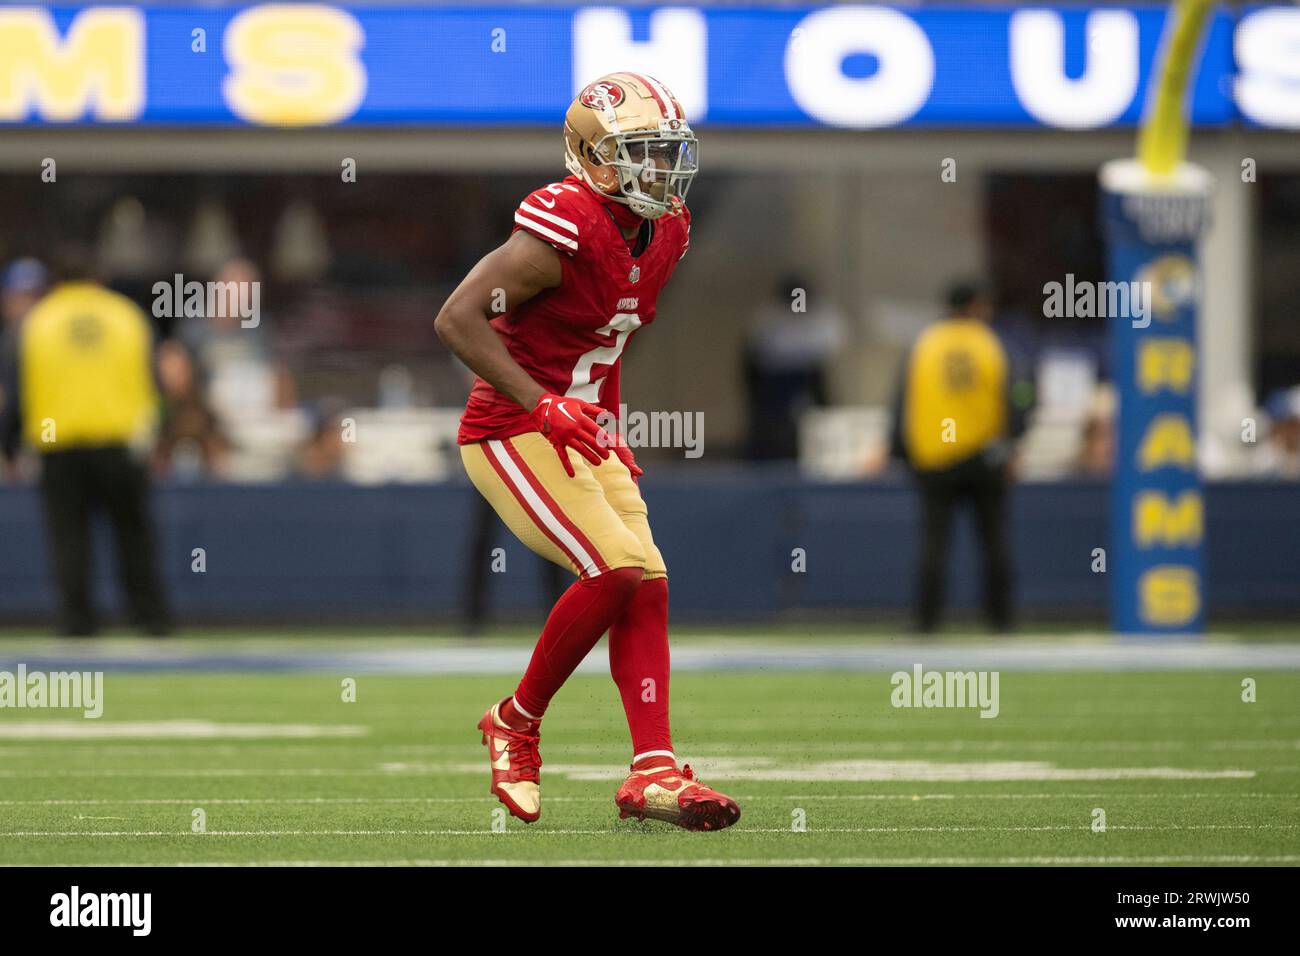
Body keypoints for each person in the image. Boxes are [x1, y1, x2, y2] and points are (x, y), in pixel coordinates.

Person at [435, 72, 739, 830]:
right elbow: (456, 318)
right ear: (589, 157)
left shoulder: (668, 229)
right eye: (639, 154)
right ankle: (516, 720)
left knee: (649, 583)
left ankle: (655, 771)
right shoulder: (559, 225)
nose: (659, 171)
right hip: (510, 426)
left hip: (580, 425)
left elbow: (604, 344)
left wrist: (607, 423)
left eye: (666, 154)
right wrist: (543, 405)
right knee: (615, 566)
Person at [0, 253, 171, 636]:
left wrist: (9, 447)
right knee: (134, 535)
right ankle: (151, 619)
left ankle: (78, 622)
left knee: (69, 538)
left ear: (57, 282)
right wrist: (159, 434)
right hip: (121, 444)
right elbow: (157, 384)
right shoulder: (127, 315)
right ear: (100, 277)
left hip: (59, 447)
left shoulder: (36, 322)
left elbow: (17, 392)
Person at [890, 280, 1027, 633]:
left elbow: (902, 401)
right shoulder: (994, 344)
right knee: (994, 540)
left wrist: (901, 451)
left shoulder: (924, 344)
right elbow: (1021, 394)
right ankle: (1001, 621)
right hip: (985, 456)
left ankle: (926, 622)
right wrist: (1012, 442)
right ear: (977, 306)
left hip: (935, 457)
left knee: (934, 541)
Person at [743, 274, 846, 459]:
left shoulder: (822, 316)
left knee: (818, 421)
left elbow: (831, 345)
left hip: (810, 378)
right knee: (772, 426)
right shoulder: (768, 318)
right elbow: (755, 355)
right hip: (774, 384)